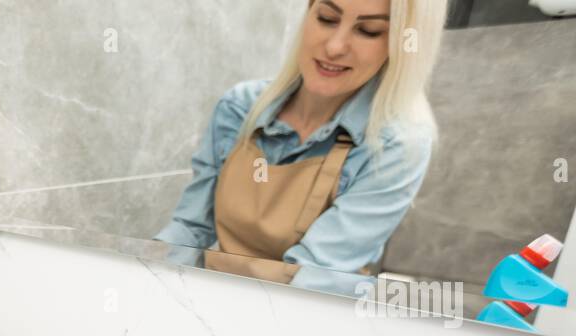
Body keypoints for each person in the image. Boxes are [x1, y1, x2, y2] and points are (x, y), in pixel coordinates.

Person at [156, 0, 446, 293]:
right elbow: (190, 229)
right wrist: (147, 279)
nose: (334, 46)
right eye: (327, 18)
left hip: (306, 316)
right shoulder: (239, 107)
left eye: (369, 31)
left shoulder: (396, 146)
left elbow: (316, 274)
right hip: (213, 305)